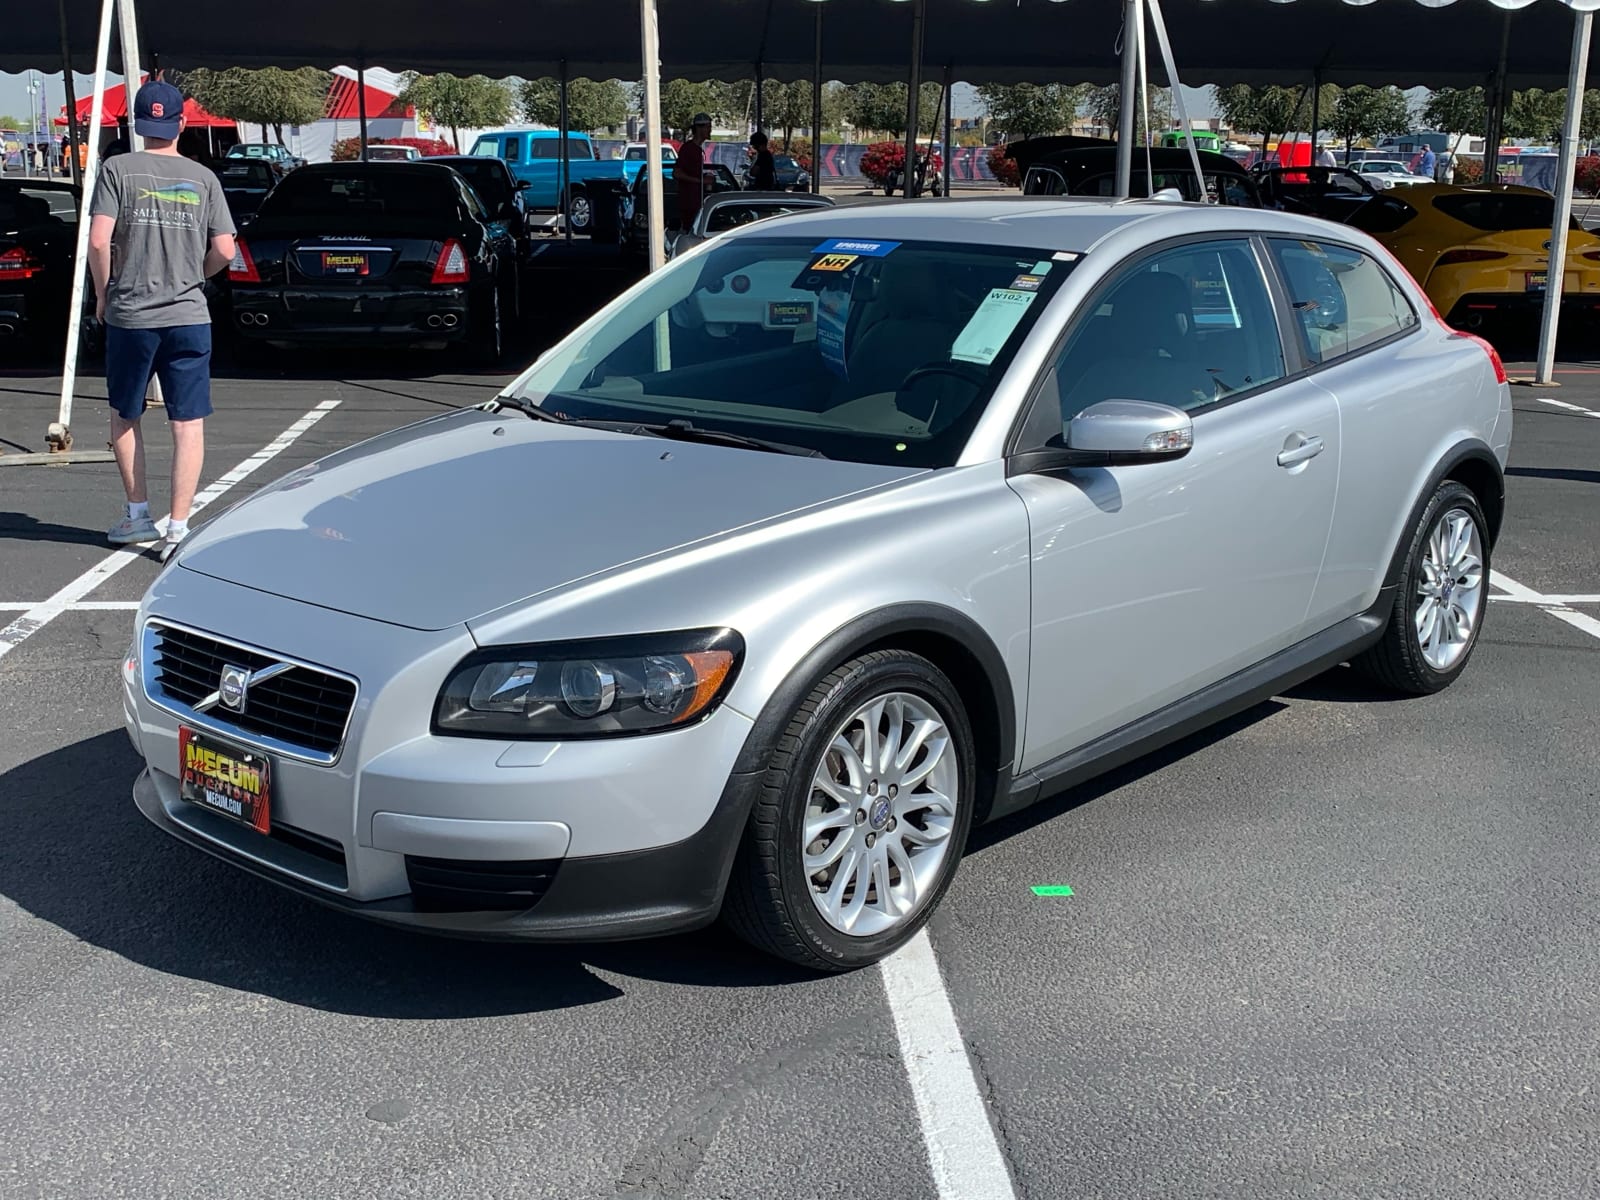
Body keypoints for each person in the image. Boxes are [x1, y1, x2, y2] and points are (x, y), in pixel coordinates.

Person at [88, 80, 235, 559]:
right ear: (182, 124)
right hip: (189, 314)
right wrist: (197, 274)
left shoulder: (118, 169)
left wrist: (103, 296)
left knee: (125, 414)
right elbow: (226, 250)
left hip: (133, 313)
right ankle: (178, 529)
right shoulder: (203, 178)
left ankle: (137, 515)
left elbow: (96, 242)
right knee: (187, 423)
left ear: (136, 123)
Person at [676, 112, 713, 232]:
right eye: (707, 127)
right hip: (689, 204)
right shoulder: (688, 149)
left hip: (697, 202)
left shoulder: (698, 149)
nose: (709, 130)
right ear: (698, 128)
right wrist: (701, 181)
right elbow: (677, 173)